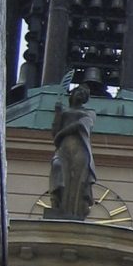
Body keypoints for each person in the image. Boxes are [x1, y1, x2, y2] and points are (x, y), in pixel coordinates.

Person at [48, 86, 96, 219]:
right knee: (57, 166)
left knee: (77, 180)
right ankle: (58, 204)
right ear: (72, 94)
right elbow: (54, 132)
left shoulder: (89, 112)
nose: (80, 94)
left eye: (84, 93)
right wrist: (58, 113)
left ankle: (74, 212)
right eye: (78, 91)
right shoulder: (64, 112)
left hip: (80, 148)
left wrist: (62, 133)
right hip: (63, 148)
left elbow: (83, 125)